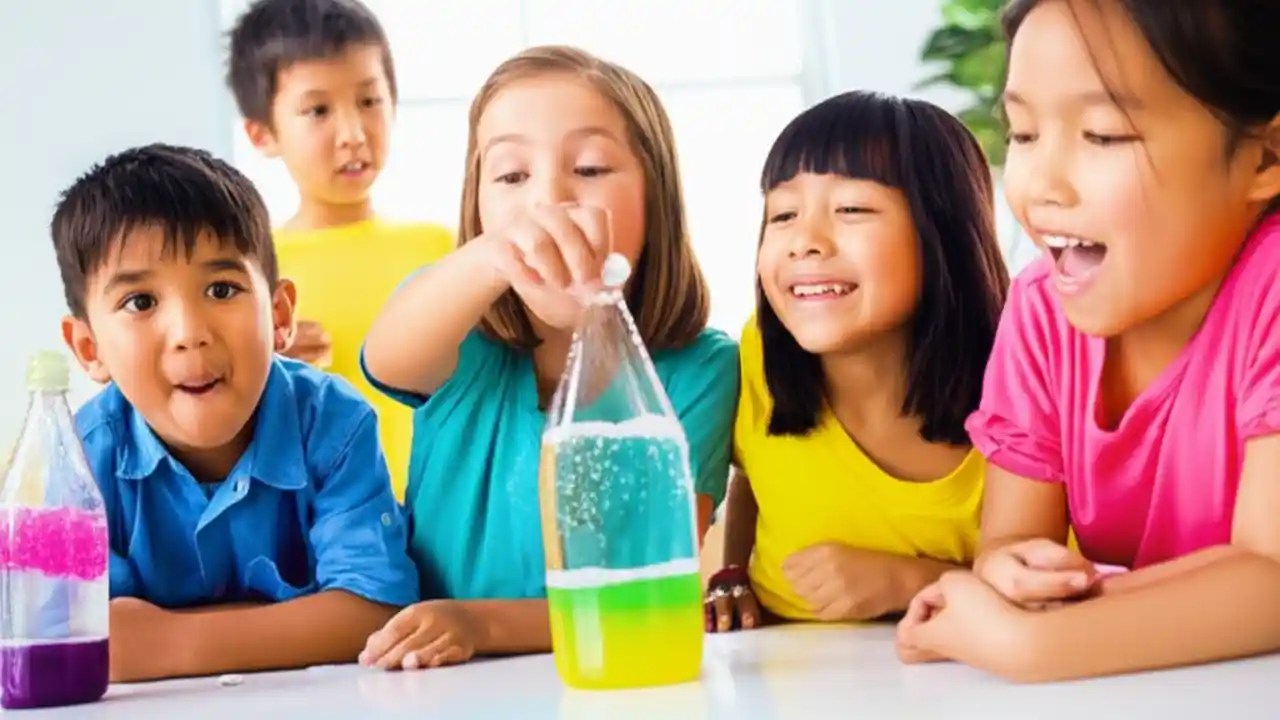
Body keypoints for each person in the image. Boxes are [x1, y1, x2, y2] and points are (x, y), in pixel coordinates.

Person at [897, 0, 1280, 681]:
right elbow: (1012, 542)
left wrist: (1029, 645)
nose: (1040, 184)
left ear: (1264, 156)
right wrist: (1016, 574)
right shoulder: (1043, 314)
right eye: (1021, 134)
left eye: (1103, 135)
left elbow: (1271, 581)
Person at [357, 46, 738, 670]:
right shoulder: (461, 344)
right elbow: (389, 356)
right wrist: (496, 255)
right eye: (511, 176)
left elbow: (642, 587)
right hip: (429, 686)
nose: (549, 200)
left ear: (656, 195)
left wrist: (476, 623)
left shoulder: (700, 369)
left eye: (589, 169)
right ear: (477, 204)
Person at [54, 144, 418, 682]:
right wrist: (297, 621)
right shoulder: (79, 462)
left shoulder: (334, 425)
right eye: (140, 302)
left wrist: (170, 642)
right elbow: (83, 632)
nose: (190, 334)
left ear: (279, 315)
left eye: (221, 289)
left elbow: (376, 612)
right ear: (89, 349)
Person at [705, 91, 1008, 632]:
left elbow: (1074, 579)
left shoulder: (1024, 386)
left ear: (943, 232)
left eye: (851, 209)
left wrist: (908, 580)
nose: (805, 241)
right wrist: (731, 572)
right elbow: (755, 471)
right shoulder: (756, 353)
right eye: (783, 214)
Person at [227, 0, 454, 498]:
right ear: (262, 133)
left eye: (370, 101)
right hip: (325, 533)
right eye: (318, 110)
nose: (353, 134)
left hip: (439, 518)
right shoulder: (246, 273)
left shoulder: (446, 252)